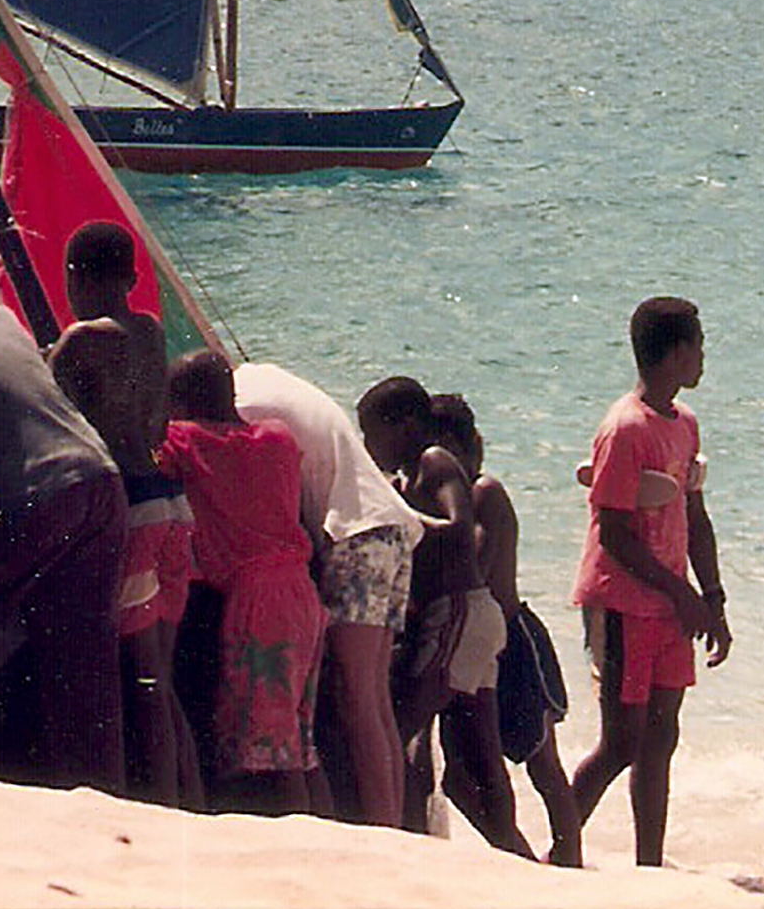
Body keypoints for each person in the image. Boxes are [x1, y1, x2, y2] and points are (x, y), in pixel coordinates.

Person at [567, 296, 731, 869]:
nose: (705, 356)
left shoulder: (683, 424)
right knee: (622, 742)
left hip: (669, 607)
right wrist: (681, 593)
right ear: (677, 352)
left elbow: (696, 518)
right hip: (621, 602)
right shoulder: (624, 428)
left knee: (662, 738)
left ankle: (649, 867)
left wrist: (713, 598)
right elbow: (613, 532)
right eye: (700, 345)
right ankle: (558, 854)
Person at [231, 360, 423, 828]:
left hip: (354, 533)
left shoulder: (243, 405)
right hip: (387, 529)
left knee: (357, 697)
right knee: (374, 697)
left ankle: (384, 829)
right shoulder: (265, 379)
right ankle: (392, 822)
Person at [48, 220, 198, 809]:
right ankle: (190, 795)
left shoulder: (80, 339)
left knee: (140, 677)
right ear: (134, 280)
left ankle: (161, 805)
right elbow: (153, 420)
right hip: (170, 502)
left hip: (130, 507)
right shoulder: (151, 330)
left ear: (72, 279)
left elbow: (54, 411)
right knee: (160, 677)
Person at [0, 302, 129, 793]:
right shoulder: (1, 317)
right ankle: (106, 802)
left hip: (42, 492)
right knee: (88, 665)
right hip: (100, 475)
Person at [357, 374, 528, 853]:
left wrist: (395, 515)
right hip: (463, 620)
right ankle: (516, 856)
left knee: (400, 727)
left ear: (407, 426)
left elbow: (457, 528)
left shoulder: (434, 463)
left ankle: (400, 839)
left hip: (460, 615)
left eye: (373, 433)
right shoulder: (405, 478)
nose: (369, 446)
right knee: (476, 756)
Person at [157, 350, 326, 816]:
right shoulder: (277, 438)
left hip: (256, 601)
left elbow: (153, 453)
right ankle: (324, 828)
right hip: (301, 594)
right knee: (296, 734)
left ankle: (299, 835)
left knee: (267, 746)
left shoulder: (182, 441)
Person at [431, 392, 579, 865]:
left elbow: (477, 565)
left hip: (511, 641)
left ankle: (566, 860)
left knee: (541, 764)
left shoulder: (482, 493)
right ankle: (517, 856)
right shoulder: (451, 498)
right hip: (474, 642)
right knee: (458, 775)